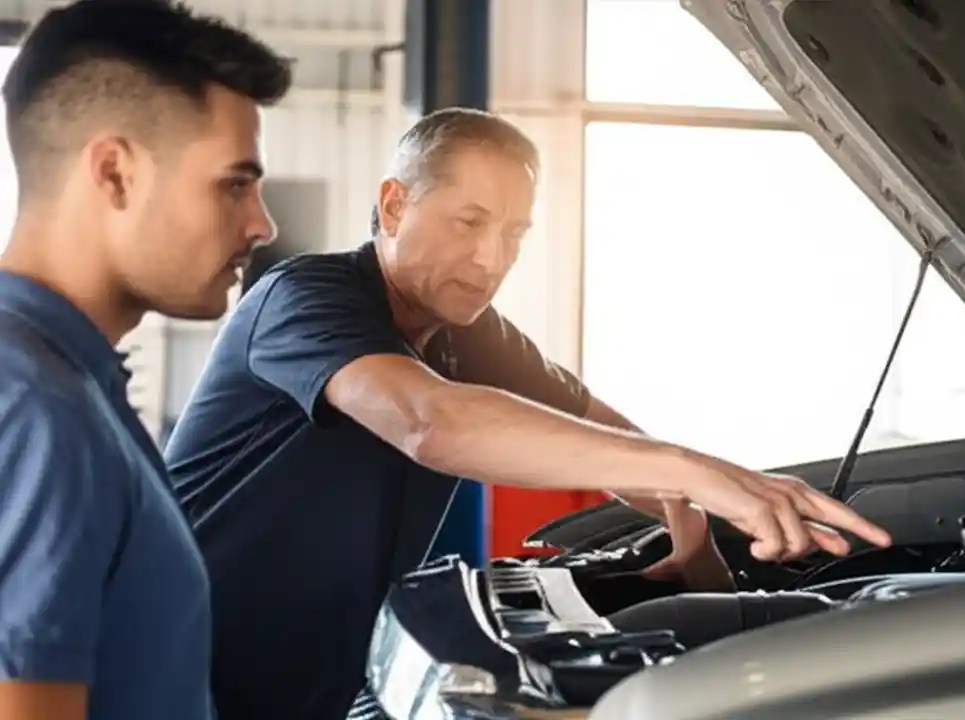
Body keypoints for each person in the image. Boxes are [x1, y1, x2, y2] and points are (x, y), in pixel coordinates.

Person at [164, 107, 891, 720]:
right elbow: (428, 423)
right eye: (469, 222)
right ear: (393, 205)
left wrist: (699, 531)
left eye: (514, 234)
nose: (491, 258)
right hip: (170, 675)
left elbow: (609, 443)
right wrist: (689, 474)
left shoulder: (469, 334)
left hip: (311, 688)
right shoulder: (307, 300)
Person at [0, 2, 291, 718]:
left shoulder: (70, 382)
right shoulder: (39, 408)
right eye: (233, 183)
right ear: (115, 173)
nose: (262, 223)